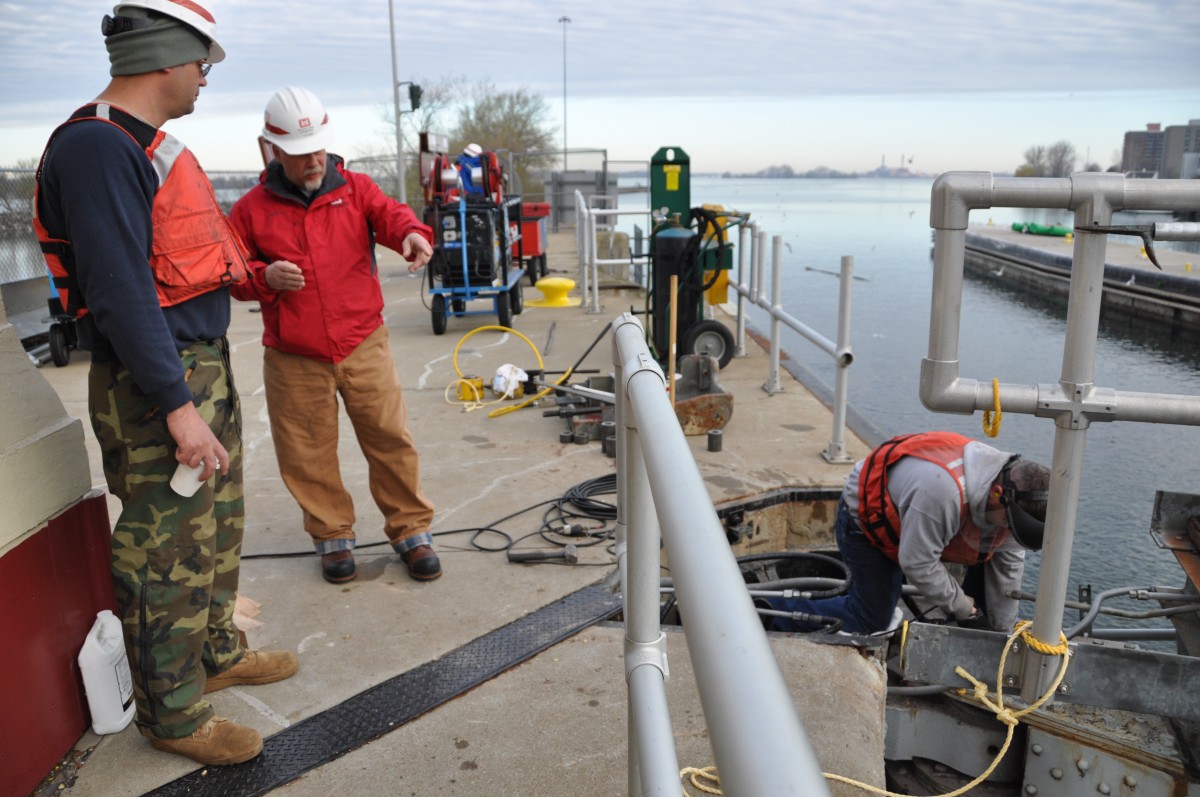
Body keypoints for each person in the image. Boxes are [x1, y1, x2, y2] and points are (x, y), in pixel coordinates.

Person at [32, 0, 298, 766]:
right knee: (164, 548)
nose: (206, 78)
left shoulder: (140, 145)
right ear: (162, 58)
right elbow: (119, 292)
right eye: (201, 62)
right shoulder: (95, 148)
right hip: (156, 384)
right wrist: (178, 406)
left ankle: (213, 647)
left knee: (213, 530)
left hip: (195, 363)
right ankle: (173, 713)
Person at [229, 87, 440, 585]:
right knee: (306, 450)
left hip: (363, 341)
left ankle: (411, 530)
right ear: (272, 150)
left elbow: (393, 216)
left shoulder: (357, 188)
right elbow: (233, 272)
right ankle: (331, 536)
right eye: (302, 155)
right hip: (293, 355)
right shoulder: (250, 210)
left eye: (320, 149)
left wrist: (413, 235)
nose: (314, 161)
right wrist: (265, 278)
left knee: (390, 438)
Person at [767, 431, 1050, 635]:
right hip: (867, 522)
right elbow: (918, 562)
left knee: (974, 602)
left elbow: (1009, 565)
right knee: (870, 619)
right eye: (1008, 525)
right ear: (998, 494)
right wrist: (965, 609)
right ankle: (771, 609)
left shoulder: (1016, 504)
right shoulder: (943, 492)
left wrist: (1000, 633)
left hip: (920, 519)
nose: (1007, 533)